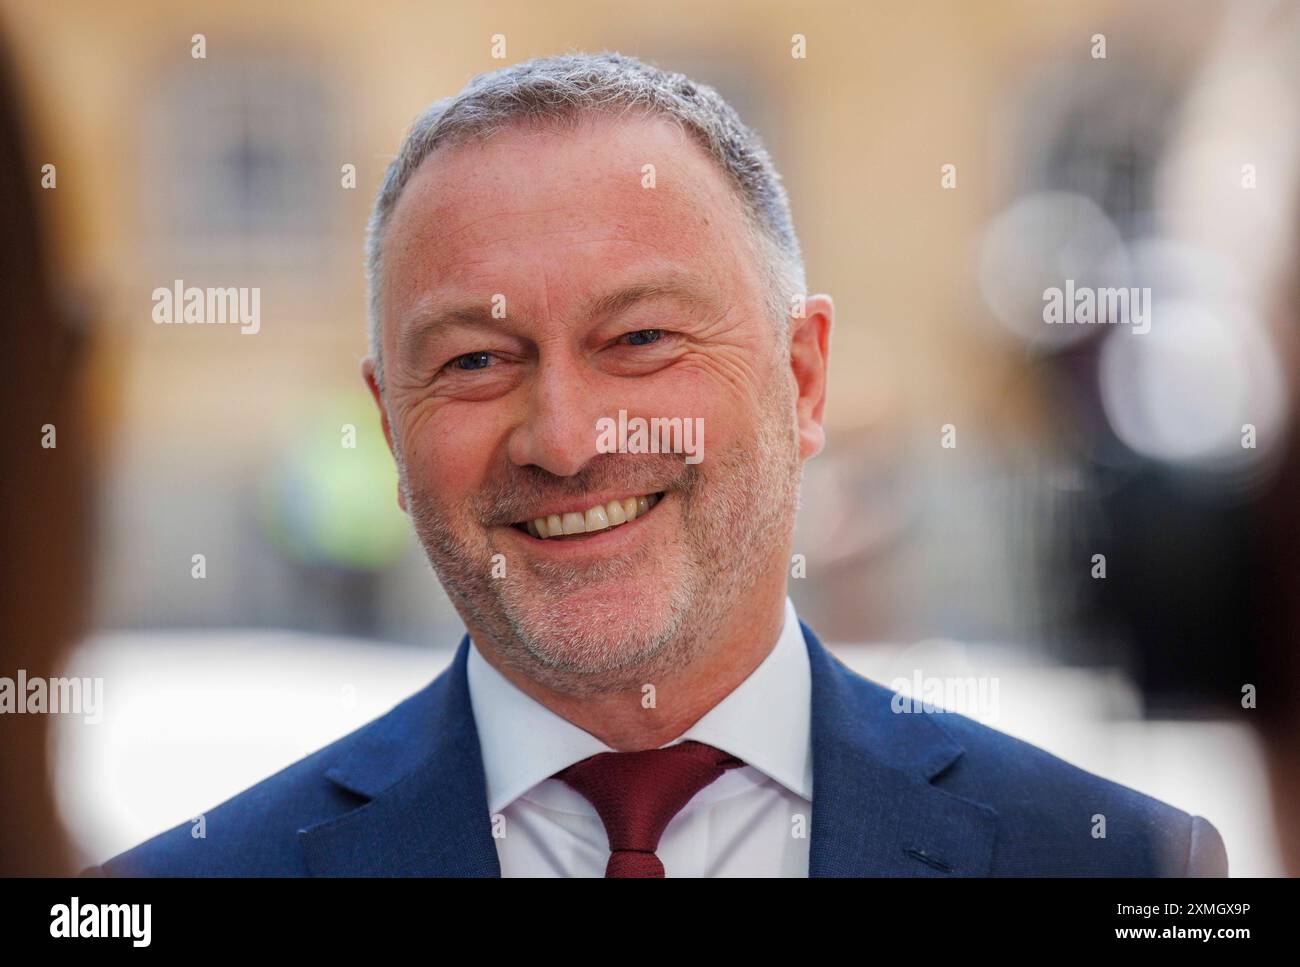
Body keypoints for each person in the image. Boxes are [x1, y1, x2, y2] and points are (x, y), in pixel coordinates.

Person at [89, 52, 1227, 877]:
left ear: (804, 378)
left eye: (639, 340)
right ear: (391, 427)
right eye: (479, 359)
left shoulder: (1124, 867)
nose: (570, 439)